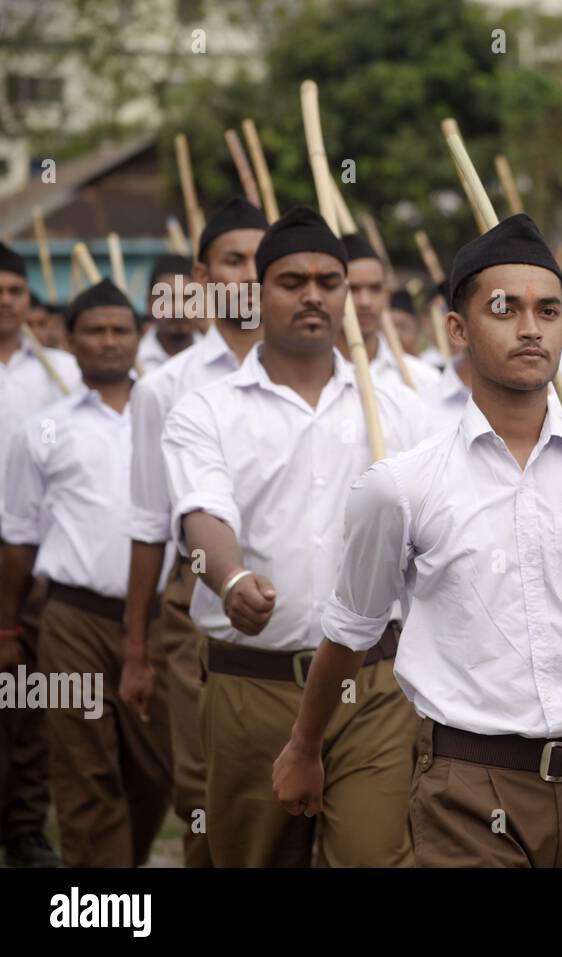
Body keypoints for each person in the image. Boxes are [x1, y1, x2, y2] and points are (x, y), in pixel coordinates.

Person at [272, 213, 562, 868]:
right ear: (457, 328)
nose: (530, 327)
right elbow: (350, 631)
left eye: (549, 310)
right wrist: (305, 745)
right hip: (469, 788)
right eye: (505, 309)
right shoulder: (401, 486)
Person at [161, 207, 427, 867]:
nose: (313, 294)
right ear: (256, 292)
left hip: (374, 687)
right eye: (292, 280)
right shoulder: (207, 408)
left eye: (329, 280)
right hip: (255, 684)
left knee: (373, 856)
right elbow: (201, 516)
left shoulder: (402, 409)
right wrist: (229, 579)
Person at [1, 280, 172, 866]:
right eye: (93, 331)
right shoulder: (43, 429)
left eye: (120, 330)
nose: (108, 342)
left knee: (157, 770)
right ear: (69, 342)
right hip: (72, 619)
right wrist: (9, 629)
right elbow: (19, 534)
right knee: (84, 772)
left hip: (155, 623)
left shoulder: (173, 417)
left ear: (138, 337)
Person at [120, 196, 268, 868]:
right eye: (232, 260)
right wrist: (136, 649)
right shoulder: (164, 388)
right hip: (196, 608)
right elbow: (151, 524)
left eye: (262, 262)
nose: (249, 275)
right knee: (208, 789)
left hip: (306, 600)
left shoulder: (321, 374)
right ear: (202, 278)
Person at [0, 241, 78, 867]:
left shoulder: (62, 373)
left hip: (32, 555)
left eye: (15, 292)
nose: (6, 301)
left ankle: (25, 826)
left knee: (26, 695)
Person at [338, 233, 441, 405]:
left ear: (387, 294)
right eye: (353, 289)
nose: (365, 302)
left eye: (375, 288)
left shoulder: (424, 379)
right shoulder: (312, 378)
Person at [138, 254, 200, 373]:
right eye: (167, 298)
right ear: (149, 303)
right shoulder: (133, 364)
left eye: (189, 298)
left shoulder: (225, 362)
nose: (179, 309)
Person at [388, 288, 422, 356]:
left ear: (418, 329)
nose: (397, 335)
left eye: (404, 328)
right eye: (390, 329)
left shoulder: (430, 365)